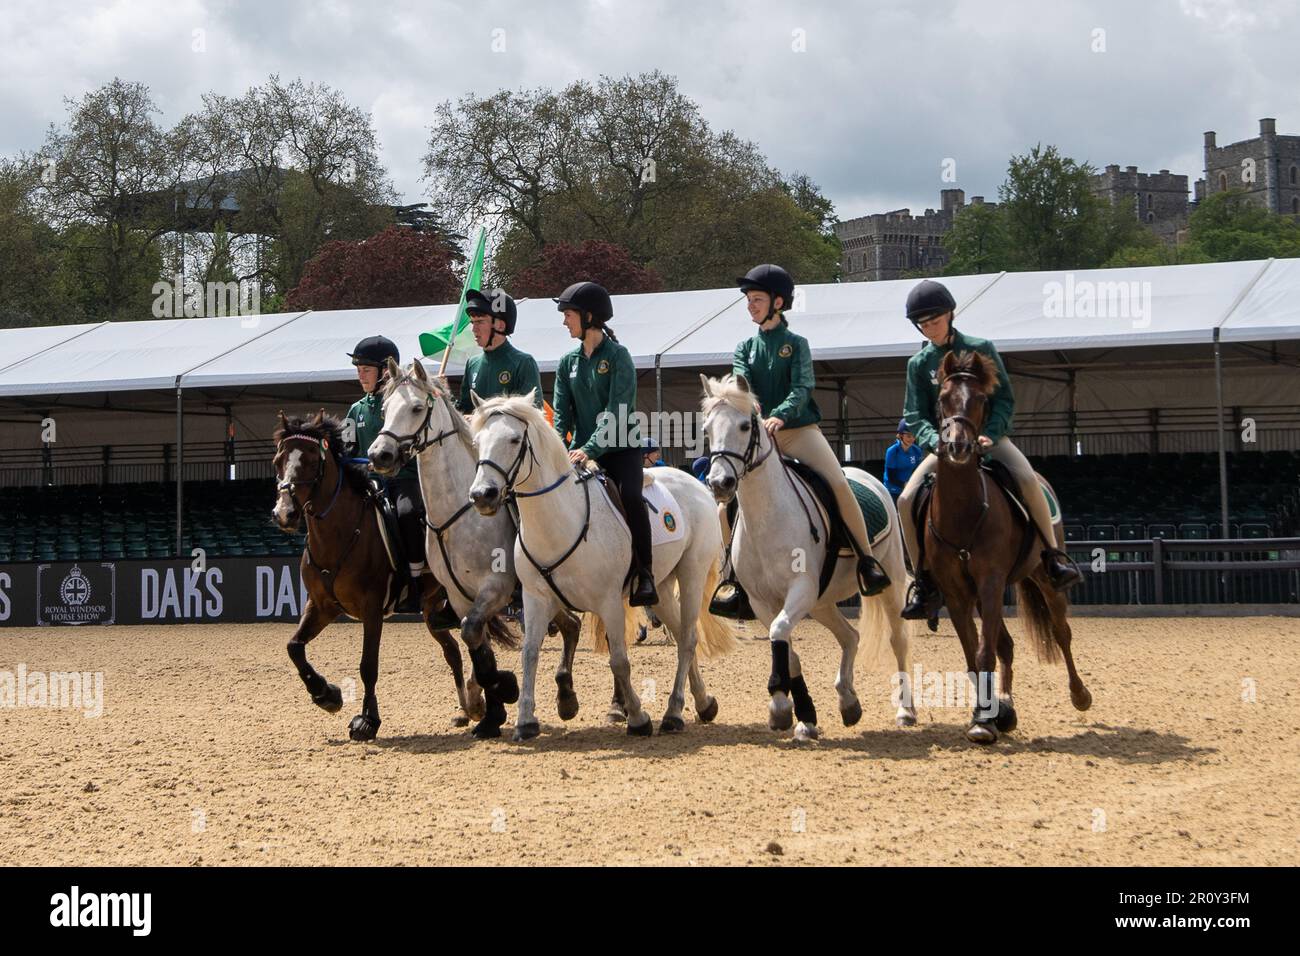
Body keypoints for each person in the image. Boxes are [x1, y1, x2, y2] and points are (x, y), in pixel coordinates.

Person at [897, 279, 1082, 621]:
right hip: (945, 447)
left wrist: (991, 435)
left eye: (934, 321)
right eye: (923, 324)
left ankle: (1053, 557)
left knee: (1027, 478)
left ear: (950, 315)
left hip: (987, 441)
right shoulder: (918, 364)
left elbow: (1005, 400)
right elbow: (914, 413)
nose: (930, 328)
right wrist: (931, 441)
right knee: (906, 500)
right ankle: (923, 579)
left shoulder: (981, 349)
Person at [712, 264, 891, 617]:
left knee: (838, 483)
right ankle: (732, 576)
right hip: (758, 438)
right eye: (748, 300)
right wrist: (757, 411)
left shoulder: (796, 345)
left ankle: (867, 561)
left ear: (778, 302)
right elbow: (741, 383)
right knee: (725, 504)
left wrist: (781, 414)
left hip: (799, 432)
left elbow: (802, 387)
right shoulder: (744, 347)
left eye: (757, 299)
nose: (751, 305)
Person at [551, 281, 658, 607]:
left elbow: (617, 411)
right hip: (581, 452)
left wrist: (589, 448)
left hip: (621, 448)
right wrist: (558, 446)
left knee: (630, 496)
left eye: (568, 315)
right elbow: (560, 415)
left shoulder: (619, 357)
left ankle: (645, 574)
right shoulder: (567, 362)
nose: (564, 322)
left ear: (588, 316)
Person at [345, 335, 432, 615]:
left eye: (366, 370)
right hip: (371, 481)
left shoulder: (398, 404)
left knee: (406, 513)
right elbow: (348, 453)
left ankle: (416, 579)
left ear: (385, 371)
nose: (361, 376)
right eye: (358, 370)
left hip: (403, 478)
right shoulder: (355, 410)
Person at [455, 287, 543, 413]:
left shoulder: (524, 362)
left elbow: (533, 411)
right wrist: (444, 395)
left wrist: (482, 417)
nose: (474, 329)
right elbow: (464, 410)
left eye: (479, 322)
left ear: (500, 325)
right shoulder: (472, 364)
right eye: (472, 322)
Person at [884, 418, 925, 501]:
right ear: (901, 435)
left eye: (914, 436)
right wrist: (905, 485)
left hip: (910, 488)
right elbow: (891, 477)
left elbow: (917, 471)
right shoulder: (892, 451)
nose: (912, 439)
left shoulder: (917, 451)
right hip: (893, 490)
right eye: (908, 436)